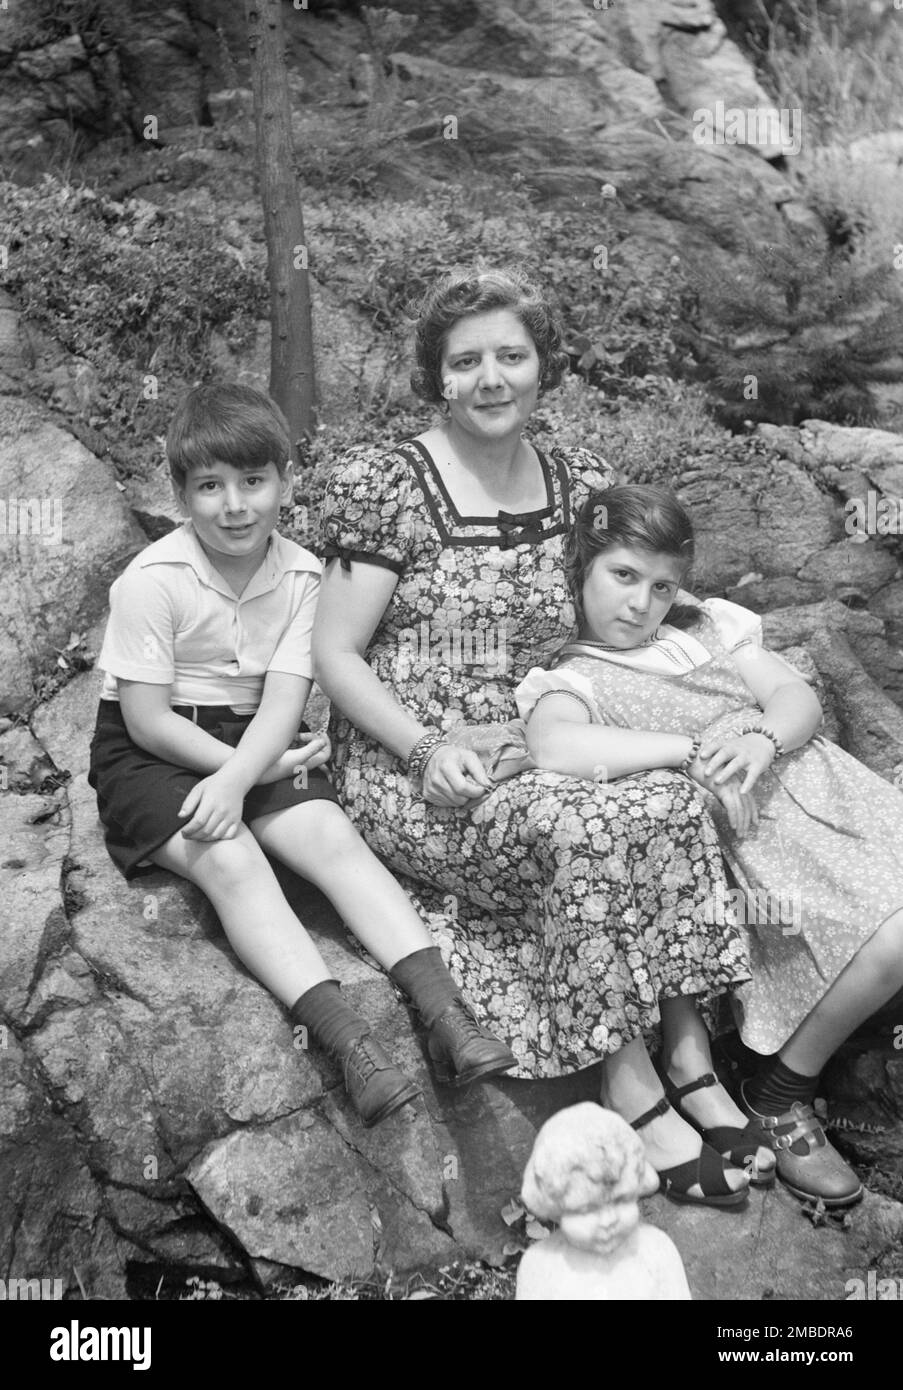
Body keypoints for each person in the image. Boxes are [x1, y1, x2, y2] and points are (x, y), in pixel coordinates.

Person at [313, 266, 767, 1209]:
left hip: (555, 721)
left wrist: (739, 691)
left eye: (510, 356)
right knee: (581, 825)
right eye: (466, 360)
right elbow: (336, 655)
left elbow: (643, 604)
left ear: (540, 367)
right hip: (427, 760)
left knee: (675, 799)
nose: (490, 378)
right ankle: (627, 1083)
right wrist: (422, 748)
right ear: (437, 375)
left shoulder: (582, 484)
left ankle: (689, 1056)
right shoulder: (382, 485)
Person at [88, 383, 516, 1131]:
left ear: (285, 481)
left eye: (253, 482)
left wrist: (246, 769)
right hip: (152, 751)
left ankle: (450, 1017)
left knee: (327, 834)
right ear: (182, 494)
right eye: (210, 487)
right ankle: (349, 1043)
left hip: (253, 738)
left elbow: (284, 703)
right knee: (230, 856)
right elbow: (147, 720)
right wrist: (232, 778)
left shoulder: (303, 576)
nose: (234, 506)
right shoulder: (152, 581)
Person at [516, 483, 903, 1206]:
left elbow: (797, 698)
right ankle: (780, 1092)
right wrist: (688, 747)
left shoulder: (707, 627)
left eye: (661, 586)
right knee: (896, 933)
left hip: (834, 794)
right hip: (765, 844)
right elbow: (553, 744)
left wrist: (761, 733)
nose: (640, 603)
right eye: (622, 577)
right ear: (581, 568)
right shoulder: (571, 675)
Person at [516, 1103, 691, 1300]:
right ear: (556, 1208)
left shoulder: (656, 1251)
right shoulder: (541, 1265)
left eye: (620, 1201)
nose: (608, 1220)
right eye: (586, 1210)